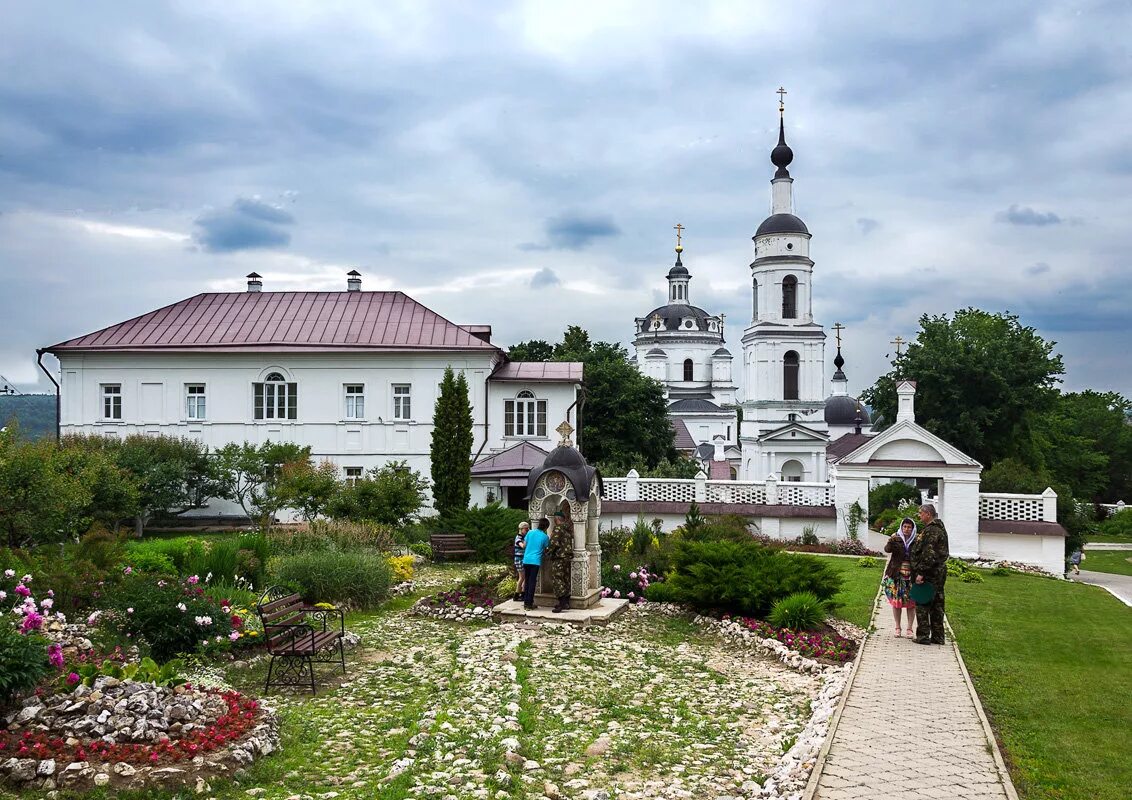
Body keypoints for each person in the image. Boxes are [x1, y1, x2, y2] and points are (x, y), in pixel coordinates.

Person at [909, 504, 949, 645]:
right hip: (938, 571)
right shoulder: (940, 529)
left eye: (921, 513)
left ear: (928, 514)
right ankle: (938, 636)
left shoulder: (931, 531)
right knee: (937, 603)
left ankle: (923, 636)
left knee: (923, 602)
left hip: (929, 572)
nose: (919, 515)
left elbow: (929, 554)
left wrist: (921, 572)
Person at [883, 517, 918, 637]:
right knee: (896, 602)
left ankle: (909, 628)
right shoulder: (896, 538)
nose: (907, 529)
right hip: (896, 574)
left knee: (911, 603)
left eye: (909, 527)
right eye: (905, 527)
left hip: (911, 576)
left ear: (913, 529)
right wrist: (891, 540)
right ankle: (897, 627)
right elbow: (887, 550)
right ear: (901, 528)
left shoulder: (917, 540)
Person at [521, 518, 551, 610]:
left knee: (527, 581)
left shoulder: (530, 533)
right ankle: (529, 604)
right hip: (535, 561)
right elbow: (547, 548)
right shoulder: (545, 537)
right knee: (532, 582)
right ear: (546, 527)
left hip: (526, 560)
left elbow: (524, 546)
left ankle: (526, 603)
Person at [548, 509, 574, 613]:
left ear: (557, 519)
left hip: (559, 557)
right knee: (565, 579)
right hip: (567, 557)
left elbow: (553, 543)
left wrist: (548, 551)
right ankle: (566, 602)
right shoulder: (568, 529)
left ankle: (561, 602)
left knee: (557, 579)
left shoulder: (558, 528)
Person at [512, 521, 530, 601]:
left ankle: (523, 593)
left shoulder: (523, 537)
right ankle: (516, 595)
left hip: (523, 559)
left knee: (524, 577)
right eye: (526, 529)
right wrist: (527, 540)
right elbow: (523, 546)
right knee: (522, 577)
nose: (527, 530)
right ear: (521, 529)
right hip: (519, 559)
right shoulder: (518, 538)